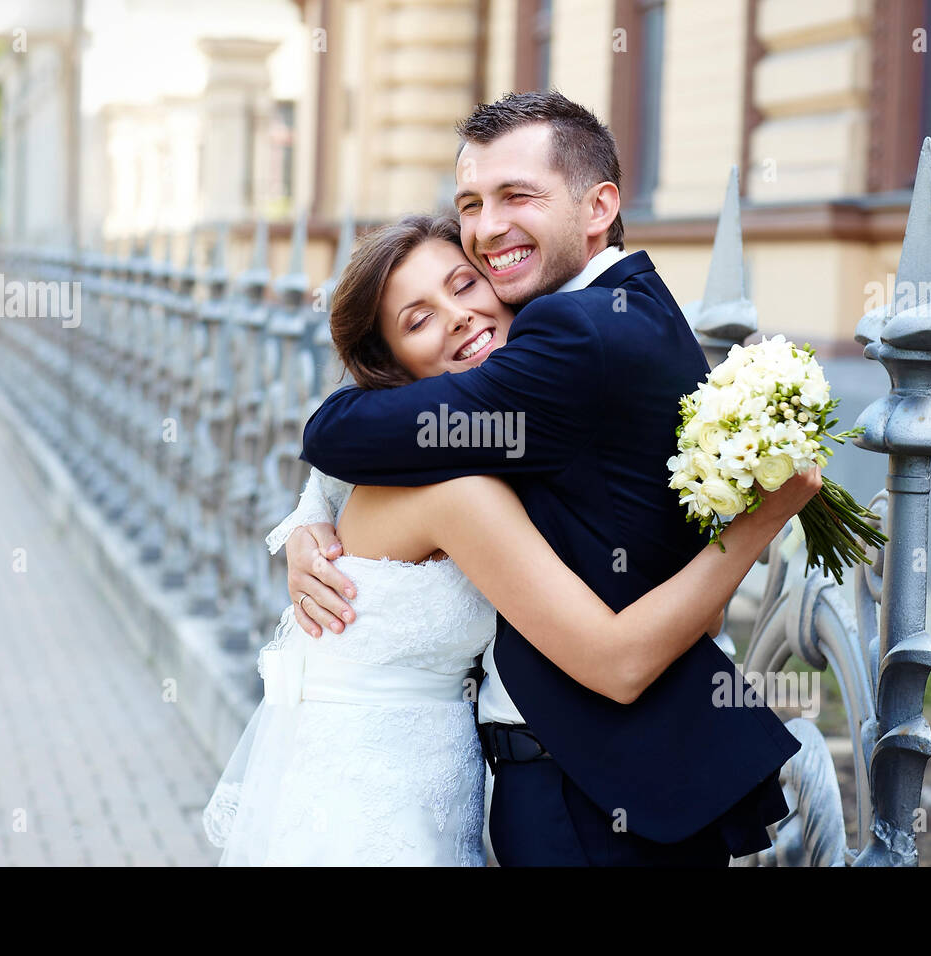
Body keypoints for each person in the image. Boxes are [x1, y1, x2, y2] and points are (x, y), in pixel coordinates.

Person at [286, 90, 808, 866]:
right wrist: (308, 519)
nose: (488, 228)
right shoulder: (634, 308)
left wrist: (758, 528)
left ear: (599, 205)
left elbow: (337, 432)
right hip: (605, 784)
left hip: (588, 796)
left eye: (516, 196)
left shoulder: (572, 336)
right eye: (470, 203)